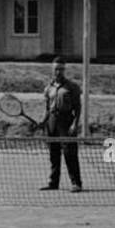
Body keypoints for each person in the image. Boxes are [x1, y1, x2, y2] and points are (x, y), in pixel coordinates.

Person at [41, 56, 84, 192]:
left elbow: (77, 107)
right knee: (54, 153)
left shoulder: (72, 87)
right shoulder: (48, 88)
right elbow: (47, 108)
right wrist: (43, 121)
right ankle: (53, 183)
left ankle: (76, 183)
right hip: (52, 122)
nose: (58, 72)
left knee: (69, 153)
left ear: (64, 70)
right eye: (56, 69)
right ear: (52, 70)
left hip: (66, 121)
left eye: (61, 69)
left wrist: (75, 124)